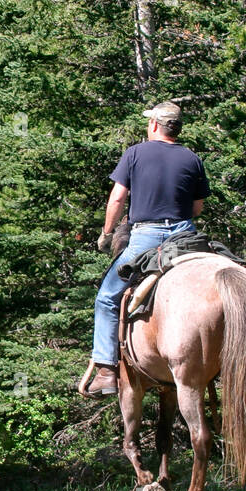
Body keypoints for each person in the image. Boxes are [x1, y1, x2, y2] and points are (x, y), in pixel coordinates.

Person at [85, 101, 210, 396]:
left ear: (154, 125)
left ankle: (106, 370)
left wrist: (106, 233)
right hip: (185, 236)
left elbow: (116, 200)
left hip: (146, 238)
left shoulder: (135, 153)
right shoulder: (192, 159)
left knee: (106, 297)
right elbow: (198, 207)